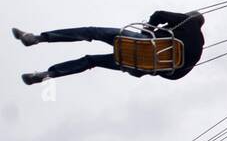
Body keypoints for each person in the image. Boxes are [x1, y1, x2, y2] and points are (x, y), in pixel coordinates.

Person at [15, 10, 205, 85]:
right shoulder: (198, 50)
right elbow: (175, 75)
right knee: (92, 61)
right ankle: (44, 75)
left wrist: (149, 30)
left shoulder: (186, 21)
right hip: (137, 64)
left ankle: (37, 38)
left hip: (139, 43)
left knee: (92, 32)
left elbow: (159, 14)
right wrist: (151, 70)